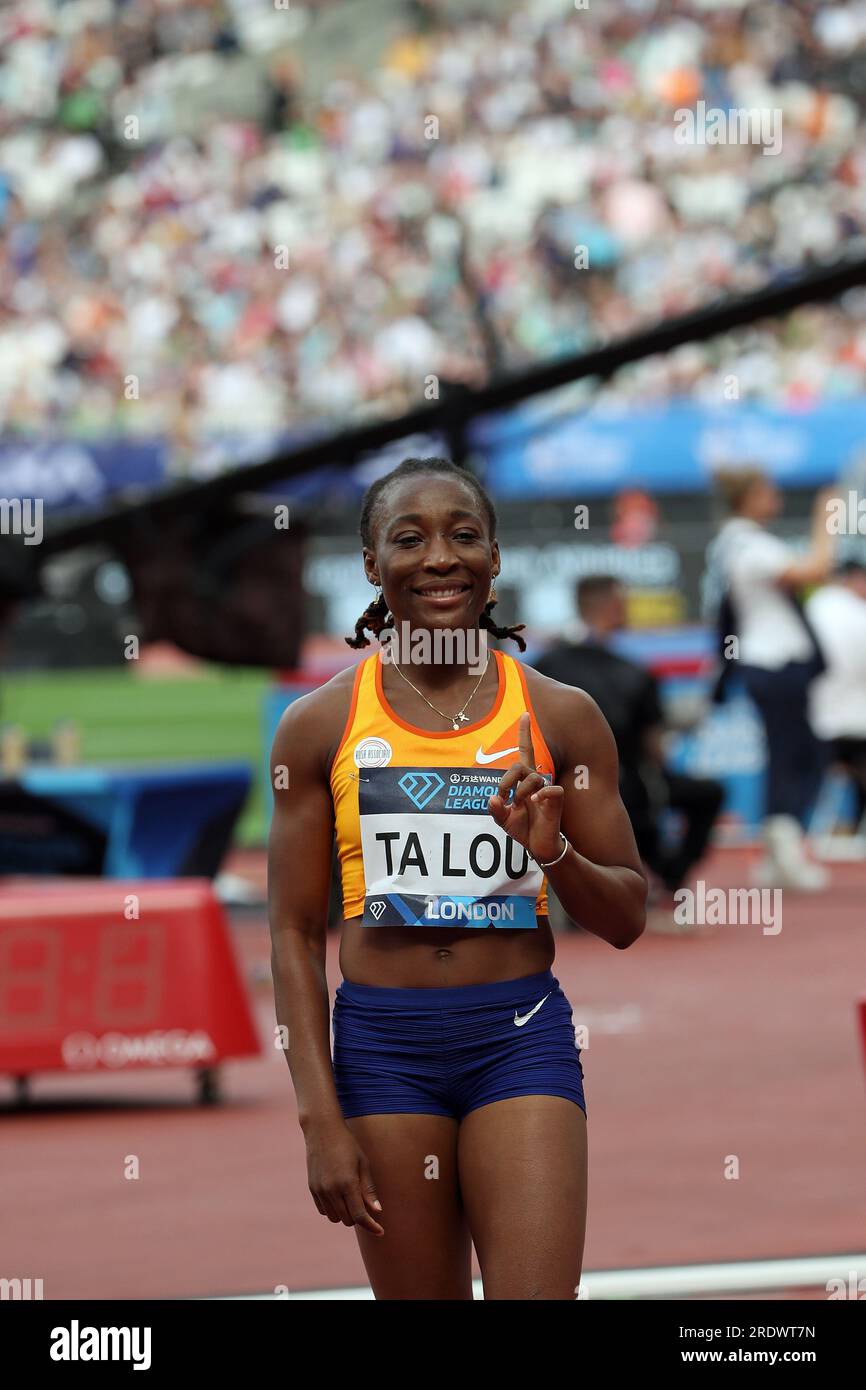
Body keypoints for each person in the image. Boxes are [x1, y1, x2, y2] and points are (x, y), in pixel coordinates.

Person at [268, 456, 646, 1301]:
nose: (441, 557)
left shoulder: (560, 714)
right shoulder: (318, 726)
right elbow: (292, 934)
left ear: (496, 557)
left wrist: (552, 851)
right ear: (372, 566)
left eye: (463, 535)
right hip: (382, 1050)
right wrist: (318, 1117)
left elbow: (626, 915)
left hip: (517, 1036)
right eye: (410, 539)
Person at [533, 576, 723, 916]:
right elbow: (655, 748)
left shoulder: (542, 668)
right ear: (613, 607)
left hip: (554, 789)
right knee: (700, 793)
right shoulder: (634, 673)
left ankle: (659, 877)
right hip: (627, 794)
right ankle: (670, 877)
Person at [705, 468, 836, 890]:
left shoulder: (736, 541)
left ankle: (782, 849)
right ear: (750, 496)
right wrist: (826, 518)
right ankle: (784, 853)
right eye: (768, 489)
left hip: (774, 663)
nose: (776, 495)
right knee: (791, 755)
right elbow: (816, 569)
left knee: (798, 753)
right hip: (774, 663)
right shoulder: (749, 544)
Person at [805, 559, 866, 833]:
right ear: (855, 579)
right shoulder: (857, 612)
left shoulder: (813, 606)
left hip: (814, 723)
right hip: (852, 727)